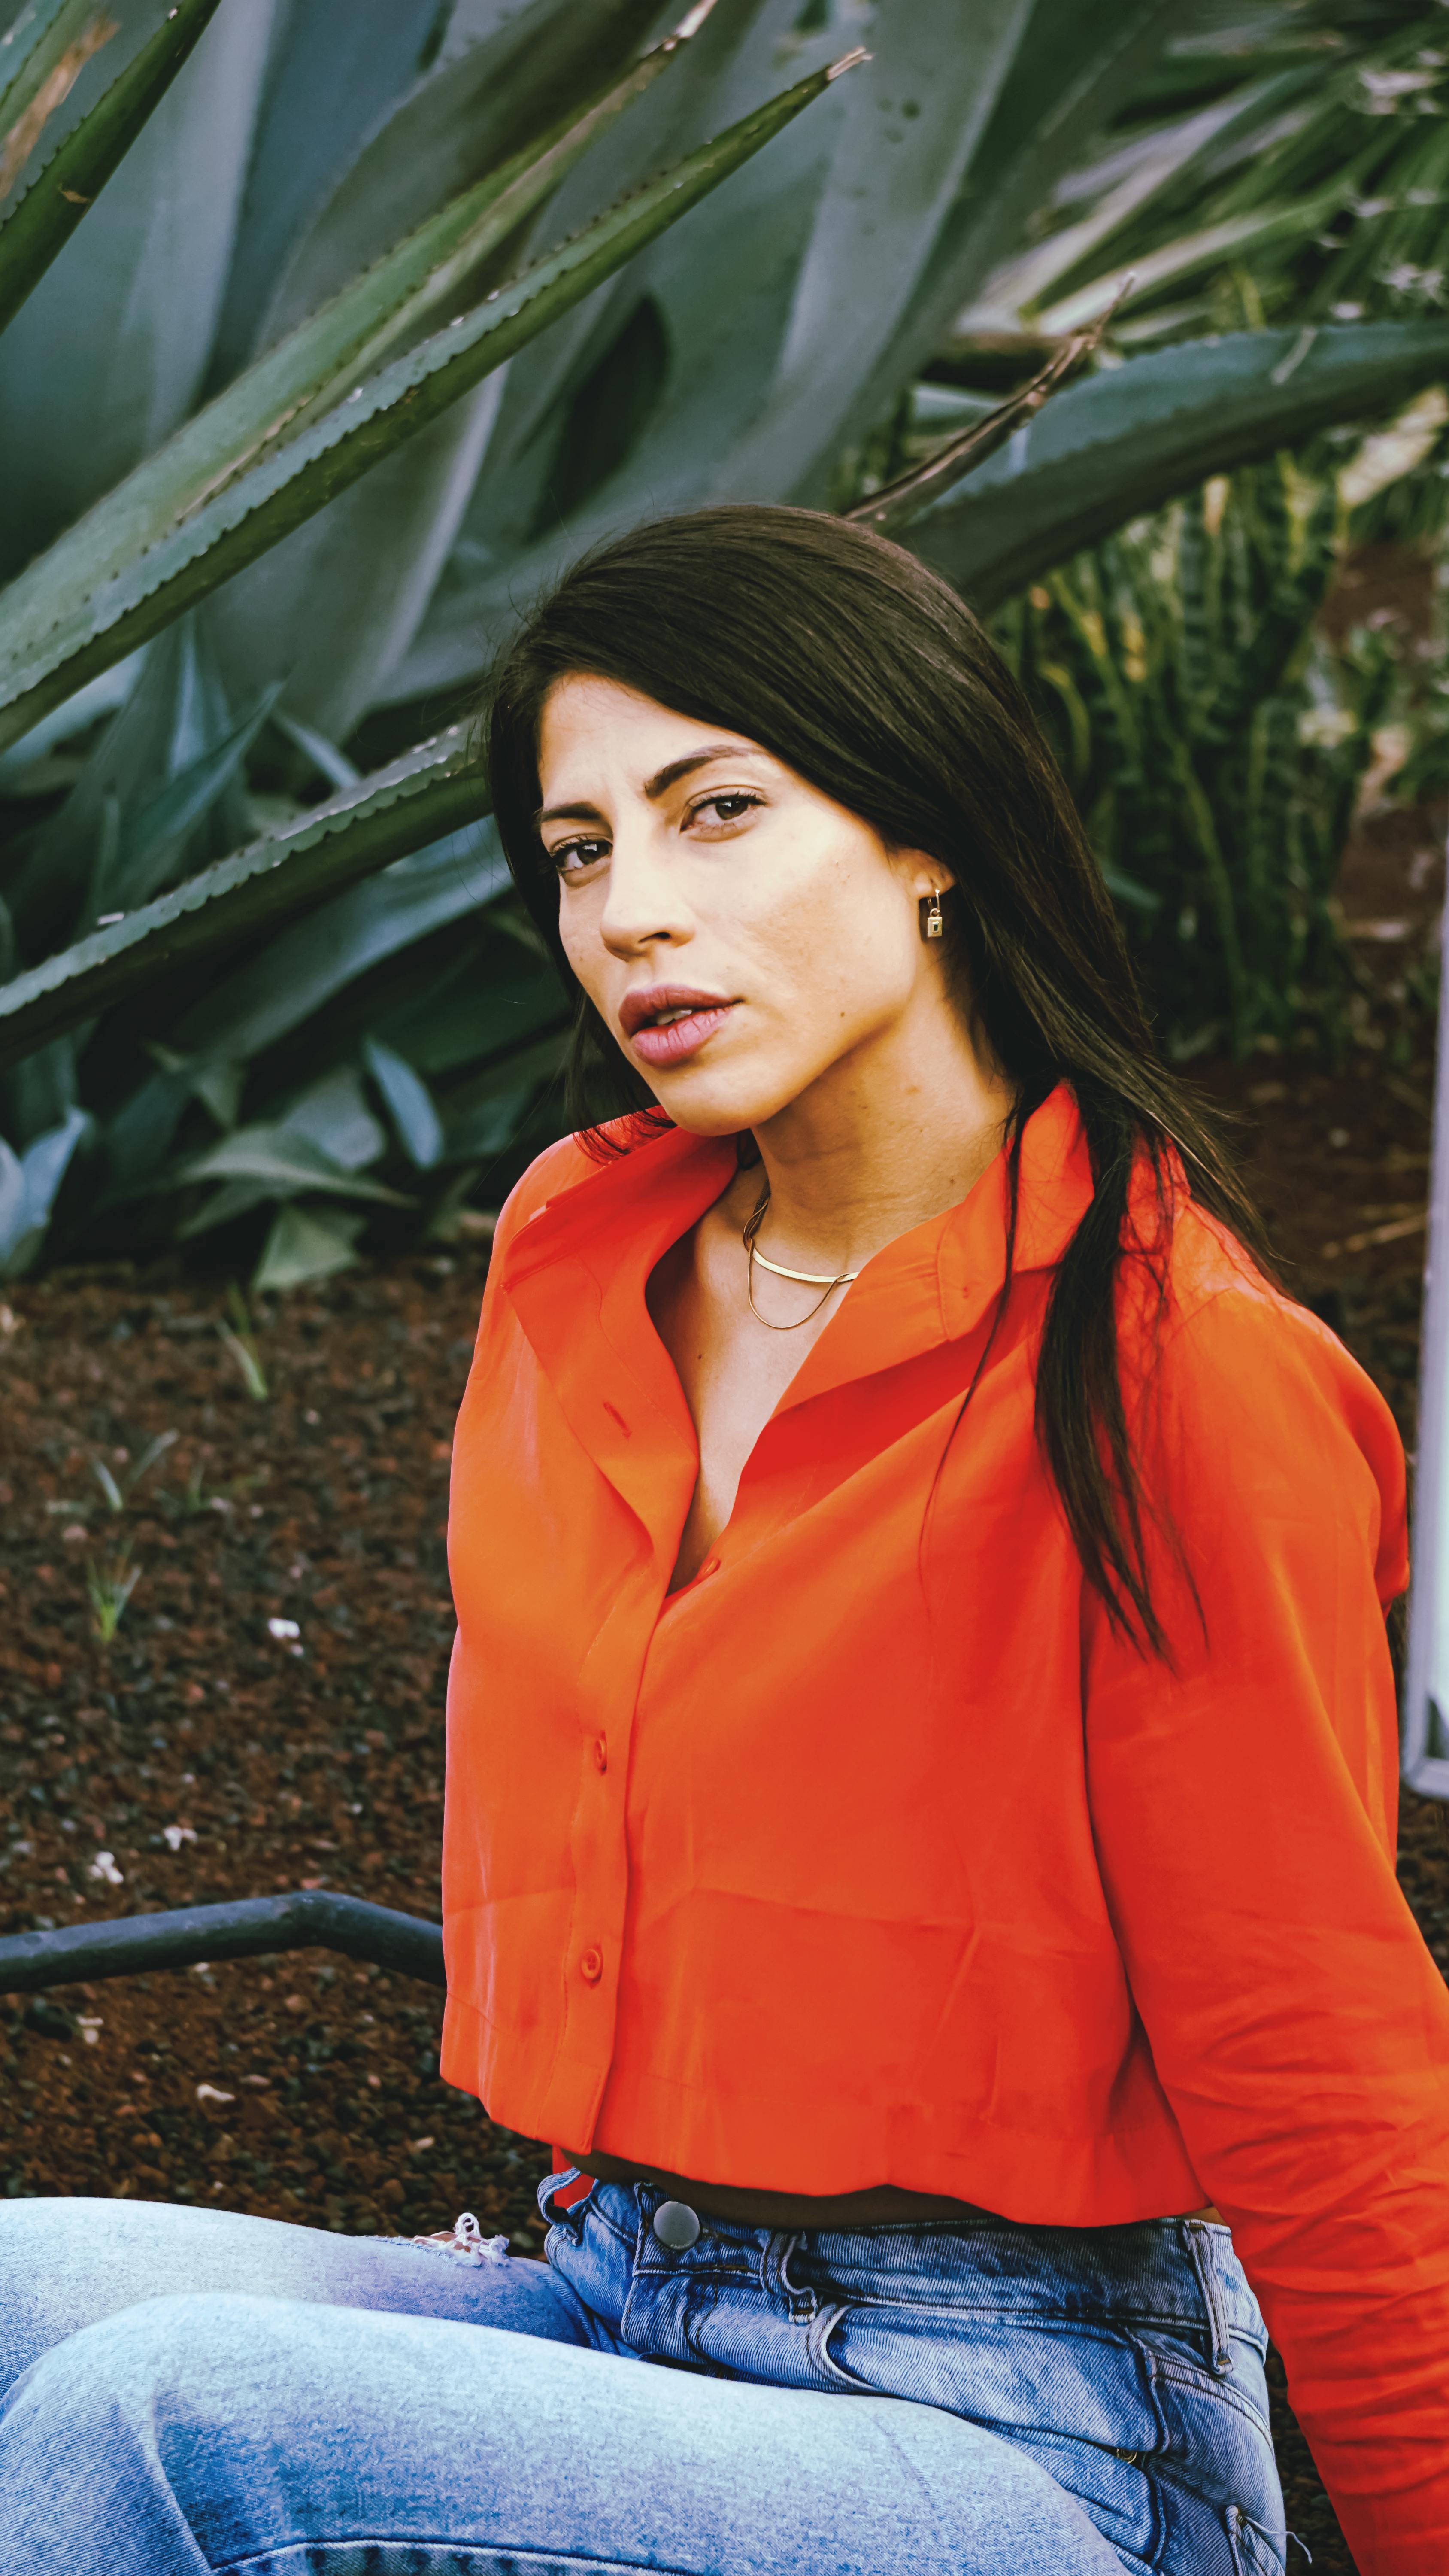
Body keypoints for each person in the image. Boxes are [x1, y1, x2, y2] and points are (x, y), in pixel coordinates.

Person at [0, 506, 1444, 2576]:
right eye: (582, 850)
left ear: (925, 832)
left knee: (170, 2431)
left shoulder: (1174, 1374)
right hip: (623, 2292)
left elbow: (1323, 2064)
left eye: (717, 812)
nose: (632, 914)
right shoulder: (576, 1263)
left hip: (1025, 2425)